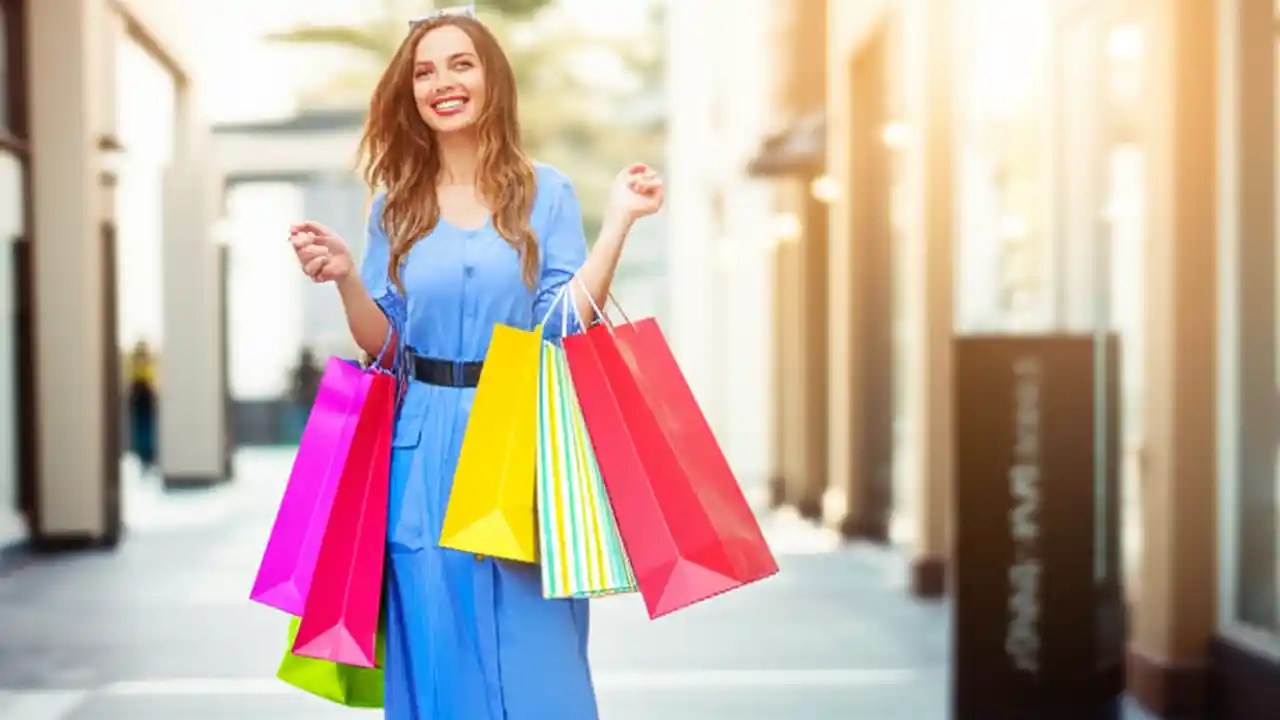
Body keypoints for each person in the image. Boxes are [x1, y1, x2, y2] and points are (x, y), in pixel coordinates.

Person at [286, 8, 664, 720]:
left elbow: (560, 323)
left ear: (493, 79)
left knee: (538, 648)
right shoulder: (393, 207)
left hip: (519, 432)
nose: (443, 82)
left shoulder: (542, 190)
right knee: (436, 644)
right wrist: (345, 277)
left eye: (462, 64)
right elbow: (387, 347)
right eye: (424, 71)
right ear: (409, 93)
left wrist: (617, 221)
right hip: (420, 446)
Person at [125, 340, 159, 474]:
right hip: (141, 393)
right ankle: (145, 457)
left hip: (141, 393)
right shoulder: (144, 360)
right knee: (143, 428)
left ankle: (146, 457)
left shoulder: (138, 360)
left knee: (144, 428)